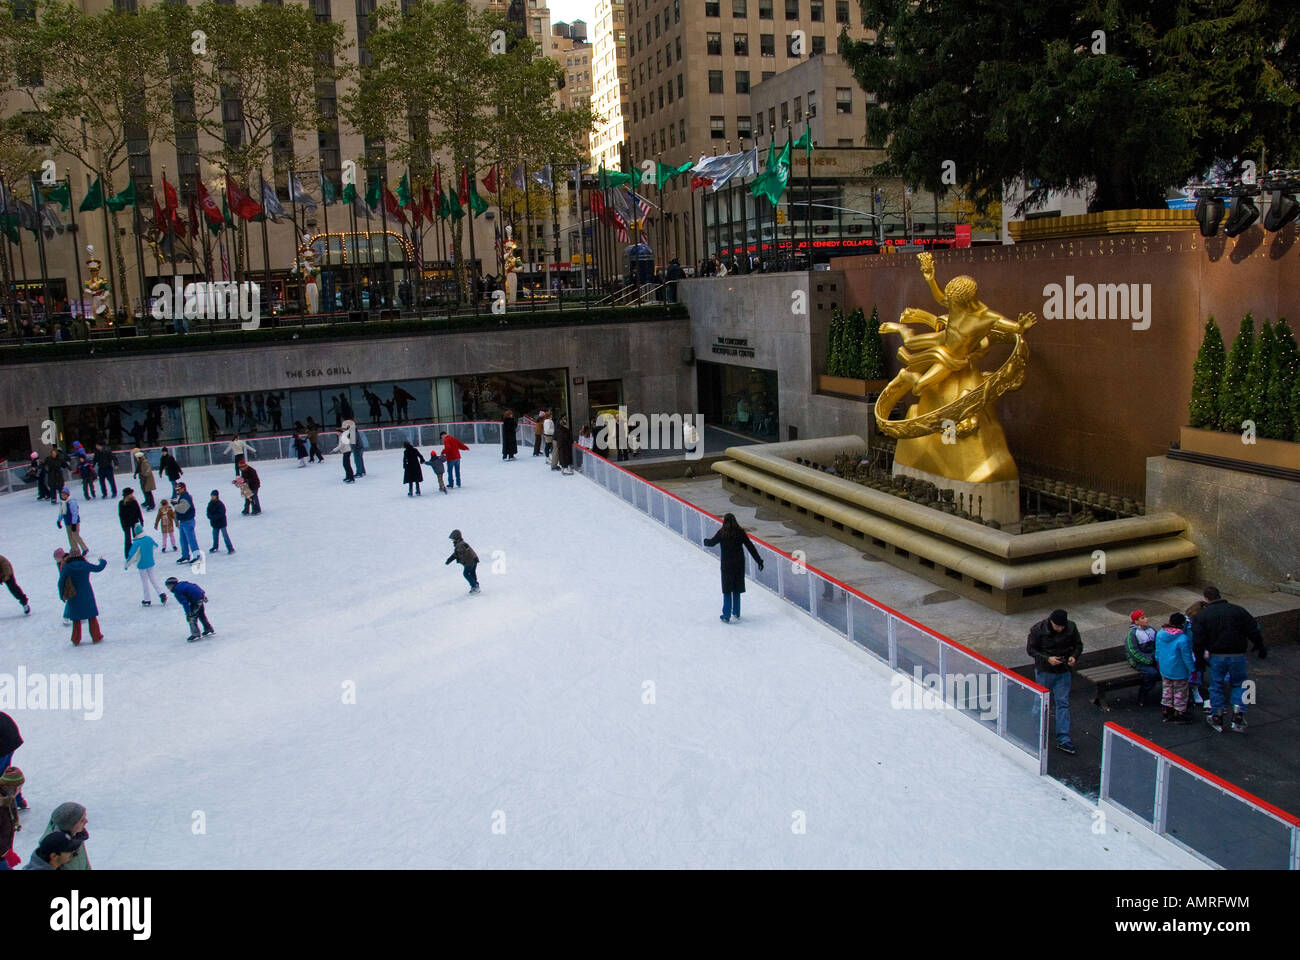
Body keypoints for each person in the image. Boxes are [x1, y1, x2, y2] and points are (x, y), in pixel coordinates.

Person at [1192, 585, 1266, 733]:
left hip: (1217, 656)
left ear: (1206, 599)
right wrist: (1260, 646)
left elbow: (1198, 640)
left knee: (1216, 685)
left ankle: (1217, 715)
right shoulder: (1238, 610)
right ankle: (1238, 712)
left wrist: (1200, 659)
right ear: (1220, 595)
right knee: (1239, 684)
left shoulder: (1202, 616)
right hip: (1238, 655)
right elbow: (1253, 629)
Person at [1026, 609, 1083, 754]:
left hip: (1063, 671)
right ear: (1051, 622)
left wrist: (1073, 657)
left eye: (1062, 626)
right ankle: (1038, 732)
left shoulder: (1071, 627)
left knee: (1062, 703)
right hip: (1045, 671)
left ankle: (1063, 738)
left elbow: (1078, 645)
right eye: (1058, 626)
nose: (1061, 629)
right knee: (1040, 703)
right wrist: (1047, 659)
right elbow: (1031, 649)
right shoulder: (1038, 629)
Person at [703, 513, 764, 624]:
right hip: (739, 565)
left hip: (727, 565)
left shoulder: (722, 533)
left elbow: (711, 543)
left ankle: (726, 614)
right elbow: (750, 547)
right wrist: (759, 560)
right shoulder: (740, 533)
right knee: (736, 588)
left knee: (727, 589)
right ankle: (736, 612)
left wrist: (705, 541)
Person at [58, 551, 107, 646]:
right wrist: (102, 561)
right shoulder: (85, 565)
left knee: (76, 618)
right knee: (91, 616)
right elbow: (98, 568)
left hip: (74, 595)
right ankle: (96, 636)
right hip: (87, 593)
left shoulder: (67, 567)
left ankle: (76, 639)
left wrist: (62, 595)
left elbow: (61, 582)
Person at [1155, 613, 1195, 723]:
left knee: (1167, 688)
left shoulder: (1160, 634)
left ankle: (1167, 710)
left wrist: (1158, 662)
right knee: (1180, 691)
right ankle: (1180, 712)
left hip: (1165, 668)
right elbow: (1187, 657)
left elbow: (1157, 651)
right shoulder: (1183, 639)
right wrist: (1192, 669)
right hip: (1179, 670)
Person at [1124, 609, 1161, 706]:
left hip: (1153, 658)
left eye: (1145, 617)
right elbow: (1133, 652)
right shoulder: (1132, 634)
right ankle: (1143, 693)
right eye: (1142, 618)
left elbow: (1158, 644)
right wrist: (1148, 660)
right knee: (1152, 673)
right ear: (1136, 621)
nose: (1146, 619)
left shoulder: (1151, 630)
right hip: (1139, 661)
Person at [125, 523, 166, 607]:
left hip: (142, 564)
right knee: (153, 579)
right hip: (151, 563)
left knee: (144, 582)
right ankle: (161, 593)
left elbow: (132, 555)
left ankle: (147, 599)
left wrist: (127, 565)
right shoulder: (148, 538)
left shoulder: (137, 543)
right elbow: (155, 546)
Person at [38, 802, 90, 870]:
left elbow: (85, 863)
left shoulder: (77, 834)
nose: (87, 821)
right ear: (70, 825)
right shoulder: (51, 846)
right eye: (82, 820)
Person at [165, 577, 214, 643]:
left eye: (168, 586)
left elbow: (184, 603)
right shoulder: (182, 584)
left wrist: (188, 613)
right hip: (200, 597)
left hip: (196, 601)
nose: (167, 588)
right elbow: (195, 585)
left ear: (172, 585)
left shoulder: (177, 591)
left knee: (191, 618)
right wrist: (203, 595)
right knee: (201, 615)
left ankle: (195, 634)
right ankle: (208, 629)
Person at [0, 713, 25, 811]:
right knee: (5, 772)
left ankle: (14, 802)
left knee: (3, 774)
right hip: (8, 735)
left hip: (6, 740)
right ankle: (17, 801)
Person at [0, 766, 22, 870]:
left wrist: (15, 822)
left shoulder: (9, 797)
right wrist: (5, 853)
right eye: (20, 787)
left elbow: (11, 811)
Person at [172, 481, 200, 563]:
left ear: (183, 488)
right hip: (183, 522)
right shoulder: (182, 497)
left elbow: (183, 509)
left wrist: (175, 505)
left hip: (188, 521)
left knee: (191, 540)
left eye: (179, 489)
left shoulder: (186, 497)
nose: (177, 491)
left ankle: (197, 556)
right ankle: (185, 555)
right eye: (176, 490)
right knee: (183, 540)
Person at [445, 529, 479, 594]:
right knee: (471, 573)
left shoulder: (460, 545)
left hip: (470, 561)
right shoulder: (462, 543)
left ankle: (475, 587)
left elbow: (457, 554)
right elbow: (457, 553)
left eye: (453, 539)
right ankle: (475, 585)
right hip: (474, 560)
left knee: (466, 574)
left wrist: (450, 559)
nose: (452, 541)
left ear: (456, 537)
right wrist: (450, 559)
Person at [57, 488, 89, 555]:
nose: (63, 496)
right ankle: (75, 550)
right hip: (67, 522)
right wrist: (59, 521)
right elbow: (61, 512)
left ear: (67, 495)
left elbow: (75, 513)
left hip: (74, 522)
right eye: (62, 495)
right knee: (70, 537)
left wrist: (74, 523)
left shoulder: (72, 502)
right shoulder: (63, 503)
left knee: (75, 535)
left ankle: (84, 548)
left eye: (64, 494)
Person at [117, 487, 144, 560]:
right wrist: (123, 525)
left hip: (135, 523)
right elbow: (121, 515)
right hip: (126, 524)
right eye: (130, 494)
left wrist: (141, 521)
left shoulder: (134, 502)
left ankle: (138, 553)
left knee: (137, 539)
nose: (132, 495)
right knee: (128, 540)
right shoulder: (121, 503)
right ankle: (128, 555)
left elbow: (139, 511)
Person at [337, 418, 356, 483]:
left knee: (346, 464)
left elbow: (341, 445)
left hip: (347, 451)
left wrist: (335, 450)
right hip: (346, 451)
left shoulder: (343, 436)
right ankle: (348, 477)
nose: (336, 433)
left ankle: (351, 478)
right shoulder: (342, 435)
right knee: (345, 464)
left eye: (337, 432)